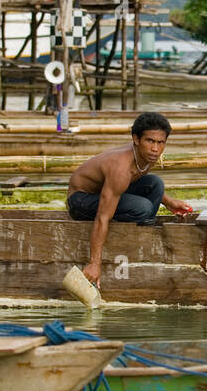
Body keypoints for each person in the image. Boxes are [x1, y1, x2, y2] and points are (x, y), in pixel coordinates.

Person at [67, 111, 194, 286]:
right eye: (150, 141)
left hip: (104, 193)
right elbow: (102, 217)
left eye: (160, 142)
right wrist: (95, 263)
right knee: (142, 208)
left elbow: (139, 181)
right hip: (81, 200)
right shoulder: (121, 168)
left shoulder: (148, 155)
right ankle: (128, 231)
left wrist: (170, 203)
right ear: (136, 139)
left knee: (155, 183)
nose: (155, 148)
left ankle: (140, 235)